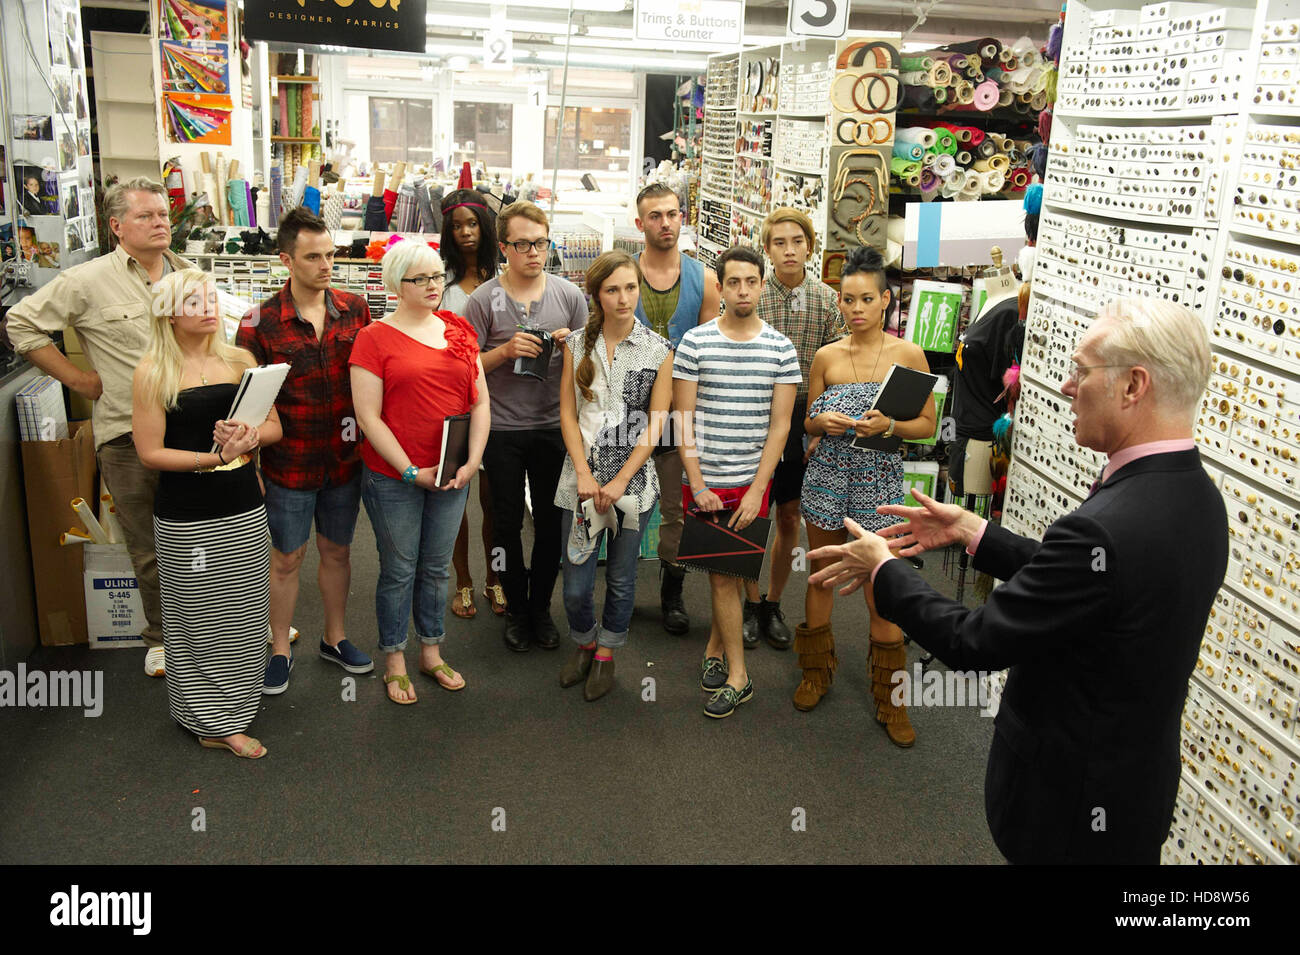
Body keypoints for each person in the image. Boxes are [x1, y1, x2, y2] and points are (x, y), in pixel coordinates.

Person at [808, 296, 1228, 863]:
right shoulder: (1195, 496)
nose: (1064, 386)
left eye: (1081, 370)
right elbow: (1091, 588)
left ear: (1134, 385)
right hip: (1130, 792)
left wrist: (883, 567)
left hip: (1068, 810)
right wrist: (978, 533)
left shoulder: (1107, 526)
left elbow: (973, 640)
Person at [4, 177, 194, 677]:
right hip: (128, 436)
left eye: (162, 214)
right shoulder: (87, 281)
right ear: (116, 227)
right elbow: (20, 323)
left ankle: (219, 628)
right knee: (149, 545)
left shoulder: (190, 275)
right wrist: (77, 379)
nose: (160, 223)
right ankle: (161, 638)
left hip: (195, 432)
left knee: (203, 538)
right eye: (146, 216)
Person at [131, 269, 281, 758]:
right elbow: (150, 452)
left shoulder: (240, 359)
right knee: (196, 616)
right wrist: (213, 459)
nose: (209, 308)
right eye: (194, 301)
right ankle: (210, 720)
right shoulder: (152, 371)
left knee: (242, 610)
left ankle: (235, 702)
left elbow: (274, 426)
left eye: (212, 298)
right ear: (169, 312)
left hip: (242, 503)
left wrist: (249, 438)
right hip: (187, 514)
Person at [796, 247, 935, 746]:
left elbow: (927, 426)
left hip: (878, 487)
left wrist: (892, 424)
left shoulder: (908, 355)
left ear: (885, 301)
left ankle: (891, 701)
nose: (856, 308)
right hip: (827, 480)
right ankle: (815, 673)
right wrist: (821, 422)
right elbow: (808, 421)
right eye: (848, 299)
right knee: (820, 577)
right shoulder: (826, 356)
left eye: (866, 299)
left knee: (885, 591)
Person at [237, 207, 375, 695]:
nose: (326, 264)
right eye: (313, 256)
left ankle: (334, 638)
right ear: (286, 260)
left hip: (343, 460)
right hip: (287, 463)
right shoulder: (258, 323)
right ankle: (277, 647)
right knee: (286, 559)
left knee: (337, 552)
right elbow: (250, 406)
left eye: (330, 254)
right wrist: (249, 467)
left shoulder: (356, 309)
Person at [350, 240, 489, 704]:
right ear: (396, 284)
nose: (433, 286)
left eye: (437, 276)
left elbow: (480, 400)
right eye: (421, 279)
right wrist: (410, 471)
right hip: (396, 478)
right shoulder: (373, 338)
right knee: (399, 568)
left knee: (435, 568)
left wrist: (472, 460)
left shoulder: (459, 328)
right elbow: (368, 418)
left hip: (451, 472)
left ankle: (430, 651)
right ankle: (394, 657)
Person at [674, 246, 800, 718]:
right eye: (733, 282)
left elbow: (781, 426)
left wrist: (757, 488)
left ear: (763, 285)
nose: (743, 290)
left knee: (730, 574)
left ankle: (734, 673)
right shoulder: (696, 343)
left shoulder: (781, 349)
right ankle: (730, 665)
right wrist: (697, 480)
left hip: (752, 481)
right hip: (705, 479)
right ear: (721, 287)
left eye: (751, 281)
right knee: (722, 572)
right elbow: (682, 419)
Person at [465, 200, 587, 652]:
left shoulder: (569, 296)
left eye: (541, 242)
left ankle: (540, 608)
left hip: (555, 426)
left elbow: (592, 363)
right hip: (501, 429)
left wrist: (570, 345)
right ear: (504, 248)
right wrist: (503, 352)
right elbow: (462, 367)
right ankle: (515, 609)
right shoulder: (483, 300)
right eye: (522, 244)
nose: (533, 252)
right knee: (505, 522)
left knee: (553, 523)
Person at [555, 251, 673, 701]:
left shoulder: (659, 350)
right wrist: (584, 472)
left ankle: (606, 654)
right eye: (612, 289)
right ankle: (584, 641)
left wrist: (622, 479)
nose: (624, 298)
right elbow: (567, 413)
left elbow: (656, 422)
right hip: (579, 482)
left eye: (630, 287)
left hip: (633, 486)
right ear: (596, 294)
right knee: (576, 582)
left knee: (623, 580)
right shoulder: (575, 346)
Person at [746, 207, 844, 652]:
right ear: (767, 249)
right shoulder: (753, 295)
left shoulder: (826, 300)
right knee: (750, 512)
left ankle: (772, 602)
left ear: (809, 246)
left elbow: (839, 370)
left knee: (789, 515)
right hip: (753, 413)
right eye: (779, 243)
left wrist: (819, 427)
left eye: (797, 242)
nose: (789, 250)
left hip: (805, 415)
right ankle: (748, 603)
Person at [632, 181, 721, 636]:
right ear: (640, 223)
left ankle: (672, 593)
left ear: (682, 217)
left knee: (675, 510)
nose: (665, 223)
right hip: (628, 409)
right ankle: (620, 588)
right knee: (623, 501)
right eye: (655, 216)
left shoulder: (703, 277)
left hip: (681, 412)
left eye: (672, 213)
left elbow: (708, 348)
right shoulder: (623, 273)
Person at [438, 188, 506, 619]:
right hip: (453, 407)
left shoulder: (504, 279)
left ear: (485, 227)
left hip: (501, 407)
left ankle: (494, 579)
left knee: (497, 507)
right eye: (457, 225)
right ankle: (462, 580)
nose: (465, 232)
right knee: (455, 502)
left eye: (473, 223)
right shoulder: (439, 284)